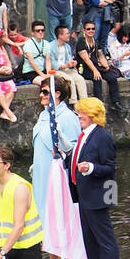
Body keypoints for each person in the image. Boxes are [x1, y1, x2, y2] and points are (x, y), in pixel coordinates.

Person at [67, 98, 120, 259]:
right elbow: (76, 158)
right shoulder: (84, 136)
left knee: (105, 240)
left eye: (83, 113)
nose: (79, 116)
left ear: (93, 116)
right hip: (84, 195)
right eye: (79, 112)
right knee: (89, 240)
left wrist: (91, 168)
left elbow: (110, 168)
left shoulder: (102, 137)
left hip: (98, 196)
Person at [31, 77, 82, 222]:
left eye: (45, 92)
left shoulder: (68, 117)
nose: (41, 95)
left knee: (55, 212)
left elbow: (73, 151)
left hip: (57, 173)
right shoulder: (43, 115)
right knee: (40, 207)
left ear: (57, 94)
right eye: (40, 92)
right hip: (40, 172)